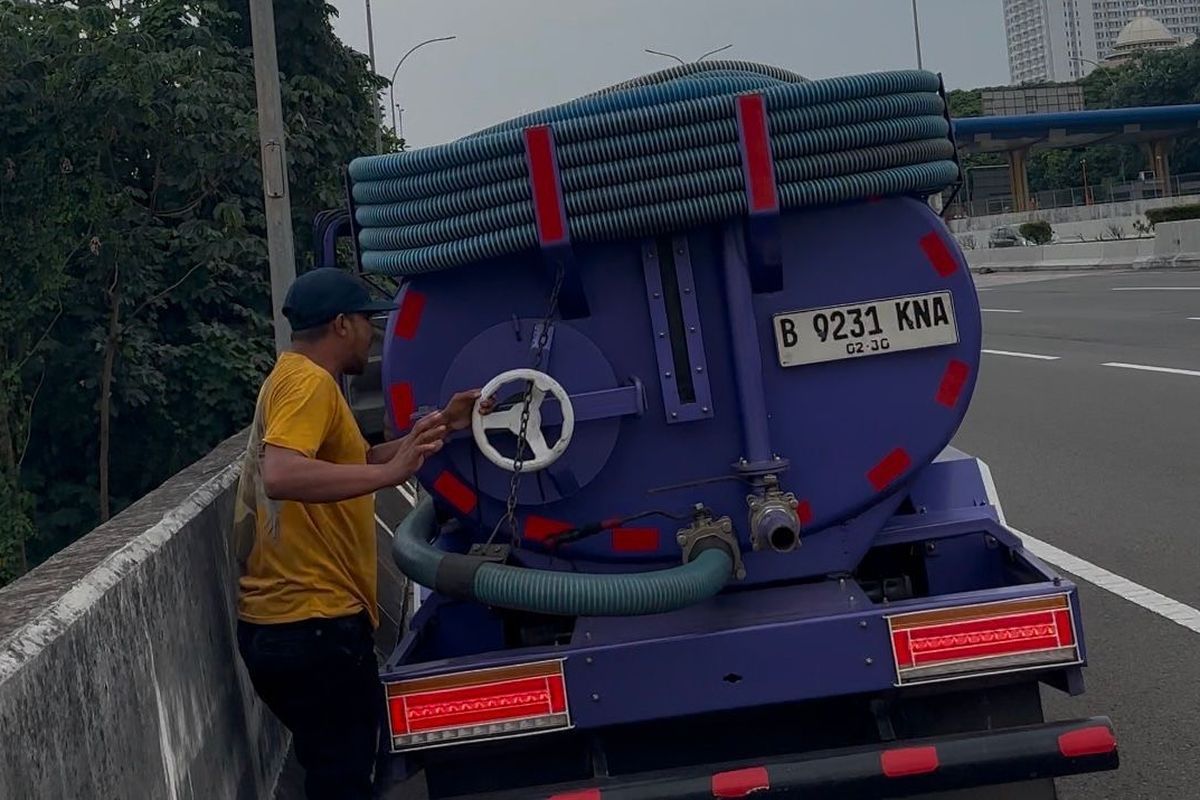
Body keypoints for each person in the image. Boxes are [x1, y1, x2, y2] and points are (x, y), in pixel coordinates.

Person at [231, 267, 485, 799]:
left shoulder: (291, 378)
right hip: (312, 625)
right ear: (342, 324)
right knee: (344, 780)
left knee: (337, 771)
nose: (373, 336)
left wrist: (440, 425)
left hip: (289, 628)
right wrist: (391, 476)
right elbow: (281, 474)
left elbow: (357, 459)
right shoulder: (309, 385)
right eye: (368, 322)